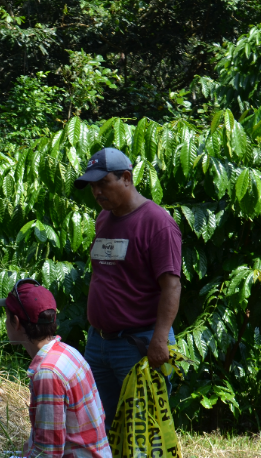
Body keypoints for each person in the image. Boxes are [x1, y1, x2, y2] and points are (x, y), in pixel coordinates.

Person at [74, 147, 182, 431]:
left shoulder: (157, 223)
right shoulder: (103, 219)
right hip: (99, 342)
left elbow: (171, 286)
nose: (97, 192)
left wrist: (160, 340)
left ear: (126, 177)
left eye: (103, 183)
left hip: (139, 343)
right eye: (92, 186)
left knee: (144, 427)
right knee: (97, 422)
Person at [0, 279, 113, 458]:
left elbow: (49, 453)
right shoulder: (66, 352)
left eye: (7, 317)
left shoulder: (47, 372)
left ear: (16, 322)